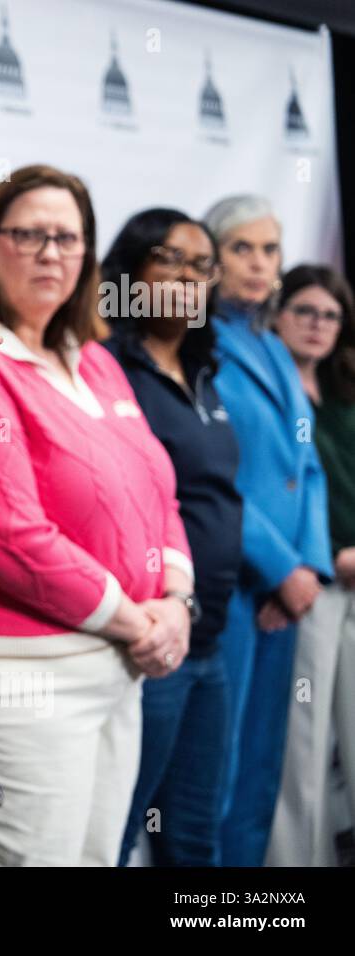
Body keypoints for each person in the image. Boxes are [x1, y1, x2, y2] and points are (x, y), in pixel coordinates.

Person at [0, 165, 194, 867]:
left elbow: (159, 487)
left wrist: (176, 598)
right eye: (31, 235)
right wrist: (137, 620)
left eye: (68, 238)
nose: (52, 252)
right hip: (32, 681)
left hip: (119, 671)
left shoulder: (95, 360)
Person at [100, 208, 242, 866]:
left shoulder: (204, 368)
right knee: (120, 832)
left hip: (212, 640)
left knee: (193, 836)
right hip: (148, 642)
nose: (189, 276)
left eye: (202, 265)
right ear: (130, 271)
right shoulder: (105, 366)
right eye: (171, 258)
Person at [204, 195, 333, 867]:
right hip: (236, 585)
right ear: (213, 257)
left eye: (270, 249)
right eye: (242, 249)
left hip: (288, 593)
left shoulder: (275, 348)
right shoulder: (200, 343)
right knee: (215, 774)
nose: (259, 264)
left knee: (260, 769)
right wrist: (281, 567)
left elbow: (306, 468)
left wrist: (306, 567)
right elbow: (210, 474)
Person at [267, 264, 355, 865]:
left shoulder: (346, 393)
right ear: (278, 314)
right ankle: (300, 867)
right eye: (305, 311)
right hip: (311, 584)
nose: (318, 325)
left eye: (329, 315)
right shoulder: (268, 390)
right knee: (303, 741)